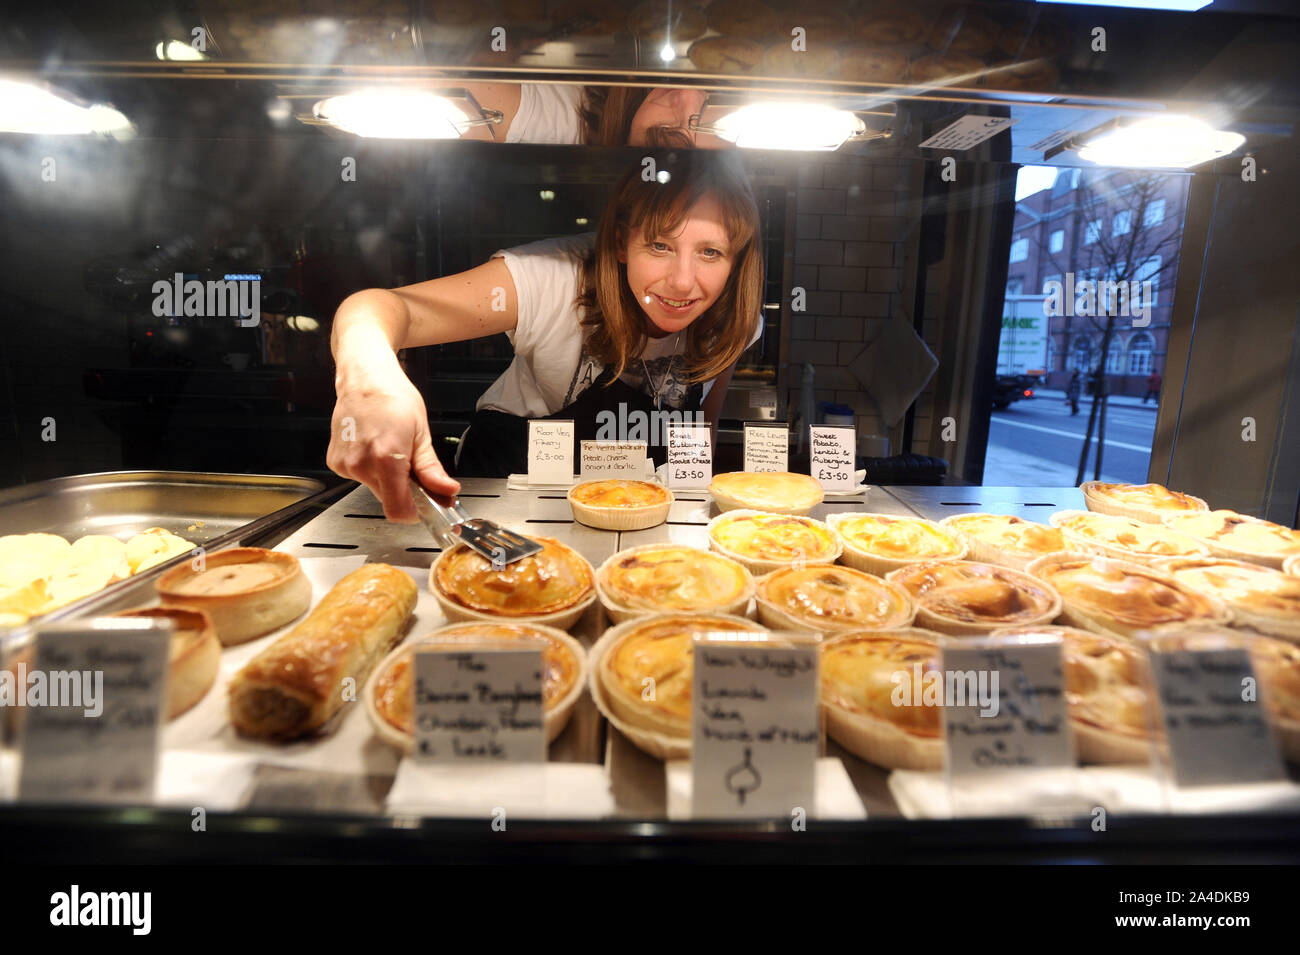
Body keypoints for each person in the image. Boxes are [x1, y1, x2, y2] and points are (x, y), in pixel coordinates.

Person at [328, 149, 764, 521]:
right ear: (618, 243)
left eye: (711, 252)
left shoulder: (731, 317)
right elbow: (380, 308)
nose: (684, 283)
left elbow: (700, 430)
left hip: (635, 509)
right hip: (506, 494)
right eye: (659, 246)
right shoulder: (552, 280)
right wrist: (367, 386)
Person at [458, 83, 725, 148]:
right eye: (707, 126)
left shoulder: (584, 118)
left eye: (664, 128)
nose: (685, 98)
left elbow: (467, 93)